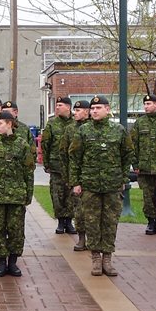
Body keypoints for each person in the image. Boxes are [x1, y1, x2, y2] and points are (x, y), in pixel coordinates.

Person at [68, 95, 135, 277]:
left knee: (110, 222)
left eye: (99, 108)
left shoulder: (118, 130)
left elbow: (127, 155)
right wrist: (76, 182)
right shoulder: (83, 131)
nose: (95, 111)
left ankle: (107, 258)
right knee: (92, 222)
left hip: (112, 185)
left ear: (107, 109)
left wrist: (122, 178)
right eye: (93, 109)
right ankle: (96, 258)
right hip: (90, 185)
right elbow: (74, 158)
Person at [0, 109, 35, 277]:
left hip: (17, 196)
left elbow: (29, 171)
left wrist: (28, 195)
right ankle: (1, 262)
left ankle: (13, 262)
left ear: (9, 124)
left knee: (16, 230)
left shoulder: (22, 144)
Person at [130, 93, 156, 235]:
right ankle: (150, 222)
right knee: (147, 197)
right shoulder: (139, 123)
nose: (146, 107)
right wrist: (135, 164)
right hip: (144, 168)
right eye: (145, 104)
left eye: (149, 104)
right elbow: (133, 145)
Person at [40, 97, 76, 234]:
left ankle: (69, 221)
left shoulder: (75, 123)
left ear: (68, 107)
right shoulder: (52, 124)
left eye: (60, 105)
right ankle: (60, 221)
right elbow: (45, 144)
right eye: (57, 105)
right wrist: (47, 163)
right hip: (56, 166)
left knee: (71, 195)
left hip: (72, 167)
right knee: (57, 195)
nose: (57, 107)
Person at [68, 100, 90, 251]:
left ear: (86, 112)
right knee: (79, 211)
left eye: (78, 110)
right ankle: (81, 238)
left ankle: (95, 241)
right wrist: (69, 177)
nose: (75, 113)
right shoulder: (70, 130)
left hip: (93, 177)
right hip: (77, 177)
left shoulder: (93, 129)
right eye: (74, 110)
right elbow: (65, 154)